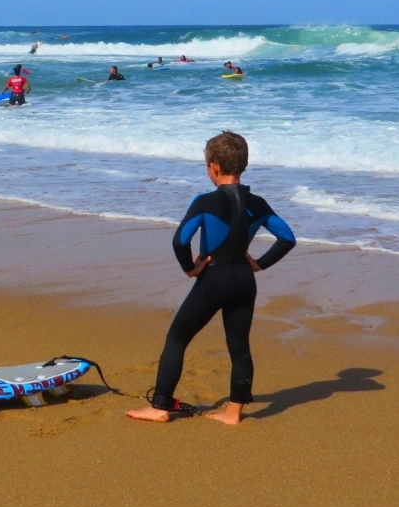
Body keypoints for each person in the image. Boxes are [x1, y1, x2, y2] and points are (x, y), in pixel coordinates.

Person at [126, 131, 296, 425]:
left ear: (214, 166)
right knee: (239, 346)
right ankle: (233, 413)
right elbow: (287, 238)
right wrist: (258, 263)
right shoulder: (258, 203)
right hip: (244, 281)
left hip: (213, 280)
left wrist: (190, 269)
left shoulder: (204, 201)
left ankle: (160, 406)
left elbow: (181, 241)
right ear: (242, 165)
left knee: (177, 338)